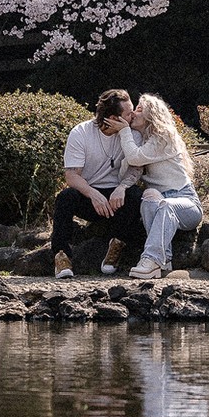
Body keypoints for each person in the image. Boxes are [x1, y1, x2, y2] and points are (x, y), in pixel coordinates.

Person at [51, 90, 148, 278]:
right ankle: (61, 256)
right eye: (128, 113)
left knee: (135, 195)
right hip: (89, 195)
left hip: (116, 198)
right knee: (65, 197)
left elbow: (136, 169)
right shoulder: (81, 132)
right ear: (113, 118)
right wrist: (92, 194)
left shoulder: (131, 135)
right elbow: (71, 176)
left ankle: (116, 245)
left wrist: (122, 187)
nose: (133, 115)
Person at [116, 93, 202, 277]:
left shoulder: (163, 136)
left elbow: (134, 157)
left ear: (151, 115)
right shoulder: (141, 141)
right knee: (149, 197)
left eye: (139, 109)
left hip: (186, 202)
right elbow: (126, 170)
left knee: (165, 205)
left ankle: (152, 259)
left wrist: (124, 131)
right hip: (163, 199)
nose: (133, 113)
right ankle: (165, 261)